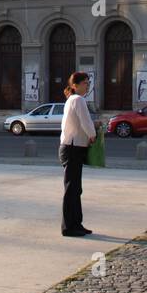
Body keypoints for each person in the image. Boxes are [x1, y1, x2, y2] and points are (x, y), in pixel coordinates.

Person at [58, 71, 96, 237]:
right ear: (75, 85)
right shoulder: (78, 100)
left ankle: (76, 223)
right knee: (72, 189)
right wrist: (92, 134)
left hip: (71, 147)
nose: (87, 86)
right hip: (73, 147)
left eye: (88, 83)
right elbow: (85, 121)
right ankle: (68, 226)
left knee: (75, 189)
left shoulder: (71, 100)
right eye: (85, 83)